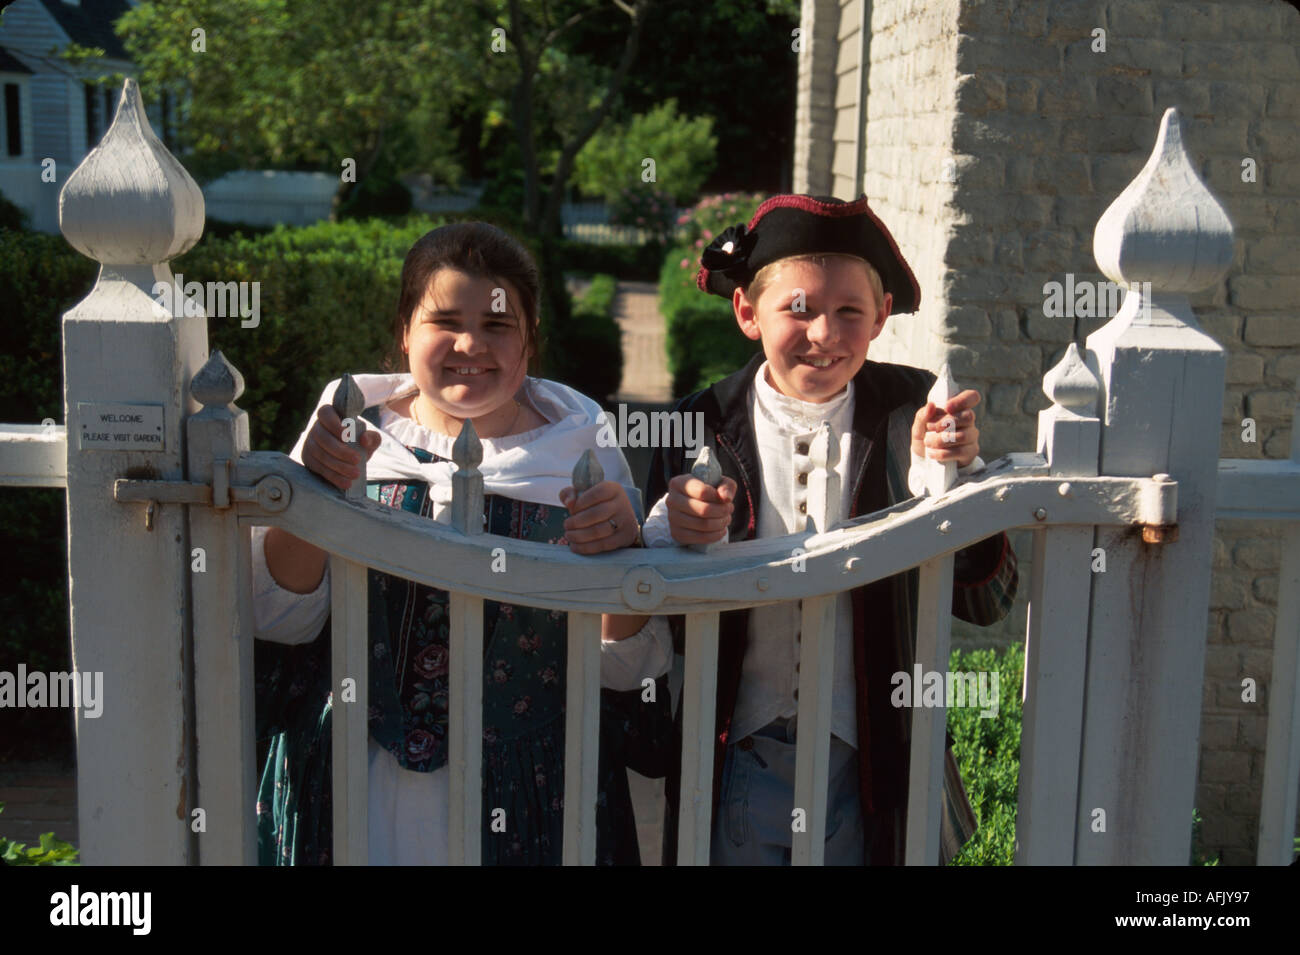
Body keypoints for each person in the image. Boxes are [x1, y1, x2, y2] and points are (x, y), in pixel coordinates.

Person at [251, 221, 672, 865]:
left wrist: (623, 558)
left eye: (498, 324)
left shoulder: (582, 452)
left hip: (533, 786)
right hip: (353, 773)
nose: (470, 342)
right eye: (444, 320)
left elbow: (623, 667)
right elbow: (278, 617)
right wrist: (313, 495)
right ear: (404, 333)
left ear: (530, 341)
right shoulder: (344, 431)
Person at [639, 193, 1019, 865]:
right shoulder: (696, 425)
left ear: (878, 320)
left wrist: (953, 479)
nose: (824, 333)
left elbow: (987, 601)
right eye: (799, 309)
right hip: (732, 754)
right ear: (746, 313)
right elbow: (650, 622)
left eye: (850, 311)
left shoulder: (911, 414)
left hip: (874, 760)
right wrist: (677, 533)